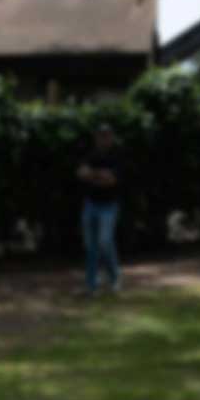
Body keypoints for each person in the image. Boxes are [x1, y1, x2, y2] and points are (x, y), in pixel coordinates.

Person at [77, 123, 122, 296]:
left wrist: (92, 175)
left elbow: (112, 180)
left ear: (111, 137)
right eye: (100, 135)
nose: (104, 139)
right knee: (91, 246)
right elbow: (81, 173)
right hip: (91, 204)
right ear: (96, 138)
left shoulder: (117, 155)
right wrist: (100, 175)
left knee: (104, 242)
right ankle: (91, 284)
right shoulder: (90, 155)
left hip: (109, 206)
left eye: (107, 135)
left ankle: (114, 276)